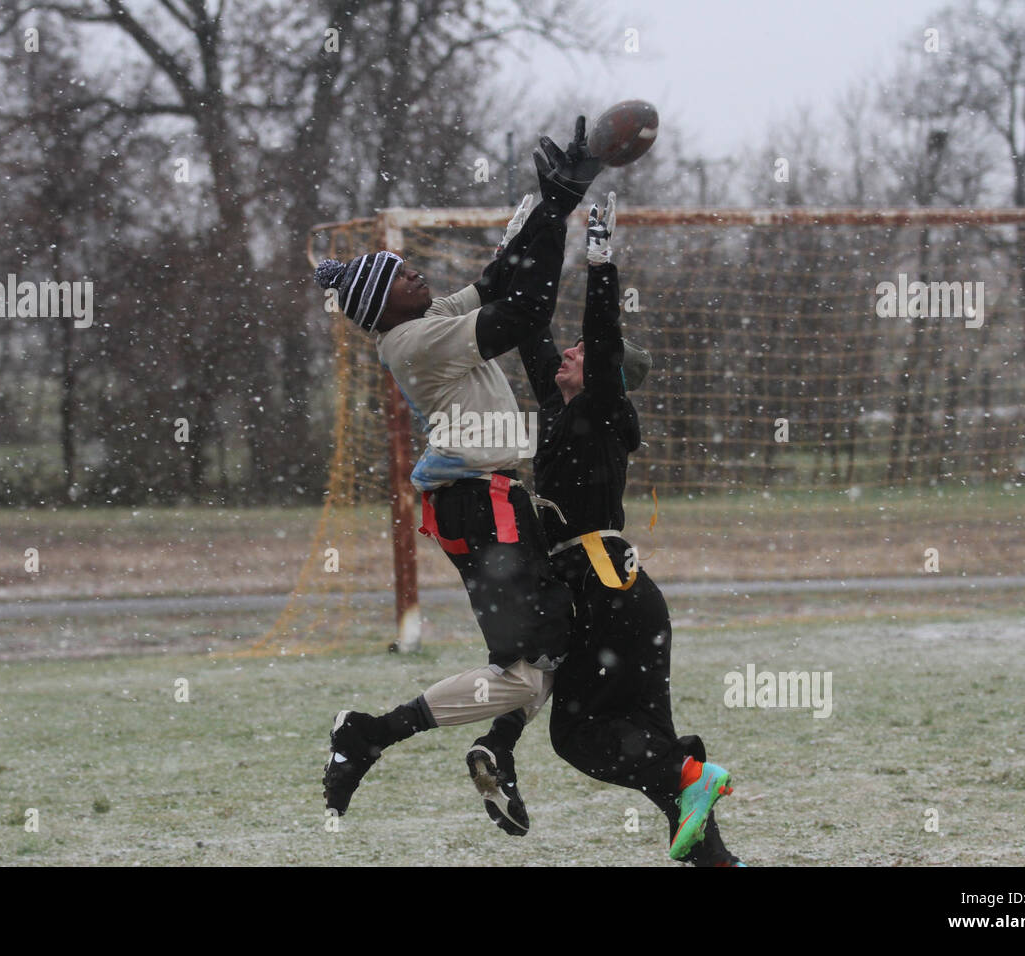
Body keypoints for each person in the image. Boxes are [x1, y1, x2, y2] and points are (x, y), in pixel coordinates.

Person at [312, 120, 602, 824]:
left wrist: (548, 208)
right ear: (381, 306)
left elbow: (501, 279)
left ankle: (494, 747)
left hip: (486, 499)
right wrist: (558, 211)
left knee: (550, 651)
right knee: (527, 667)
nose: (416, 272)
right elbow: (527, 308)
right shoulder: (414, 340)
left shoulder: (425, 319)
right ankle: (371, 734)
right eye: (400, 276)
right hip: (478, 502)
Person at [469, 193, 745, 866]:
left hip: (608, 595)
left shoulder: (601, 410)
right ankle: (716, 858)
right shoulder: (563, 407)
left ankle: (688, 777)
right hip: (622, 597)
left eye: (584, 350)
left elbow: (599, 329)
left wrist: (601, 261)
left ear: (606, 372)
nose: (568, 350)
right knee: (647, 742)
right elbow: (529, 325)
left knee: (580, 738)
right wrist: (518, 251)